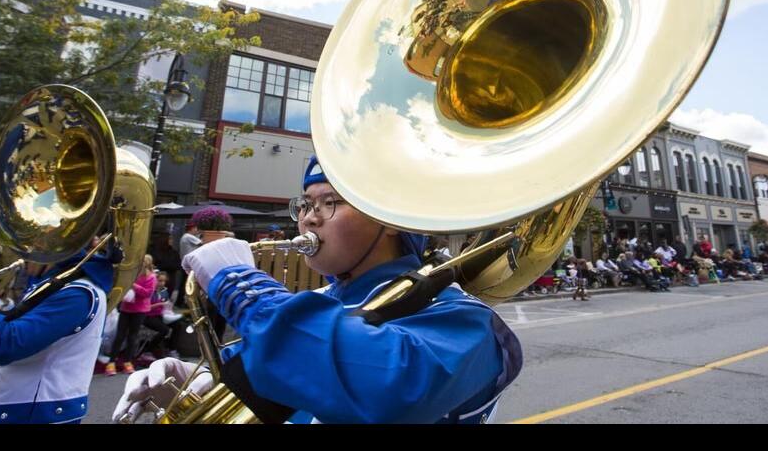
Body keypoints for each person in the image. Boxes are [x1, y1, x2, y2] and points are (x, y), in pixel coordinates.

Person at [114, 156, 522, 424]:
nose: (309, 219)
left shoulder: (468, 321)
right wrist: (197, 380)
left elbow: (388, 388)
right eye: (306, 204)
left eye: (330, 202)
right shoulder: (320, 306)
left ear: (390, 218)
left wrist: (241, 286)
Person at [0, 235, 116, 424]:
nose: (22, 253)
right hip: (16, 406)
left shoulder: (76, 293)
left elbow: (5, 344)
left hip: (28, 411)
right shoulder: (57, 284)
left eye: (30, 243)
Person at [104, 254, 157, 376]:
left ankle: (127, 362)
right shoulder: (132, 275)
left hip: (140, 310)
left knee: (132, 336)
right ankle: (111, 362)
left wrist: (133, 285)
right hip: (126, 308)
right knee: (120, 335)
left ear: (146, 264)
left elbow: (147, 293)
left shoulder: (152, 277)